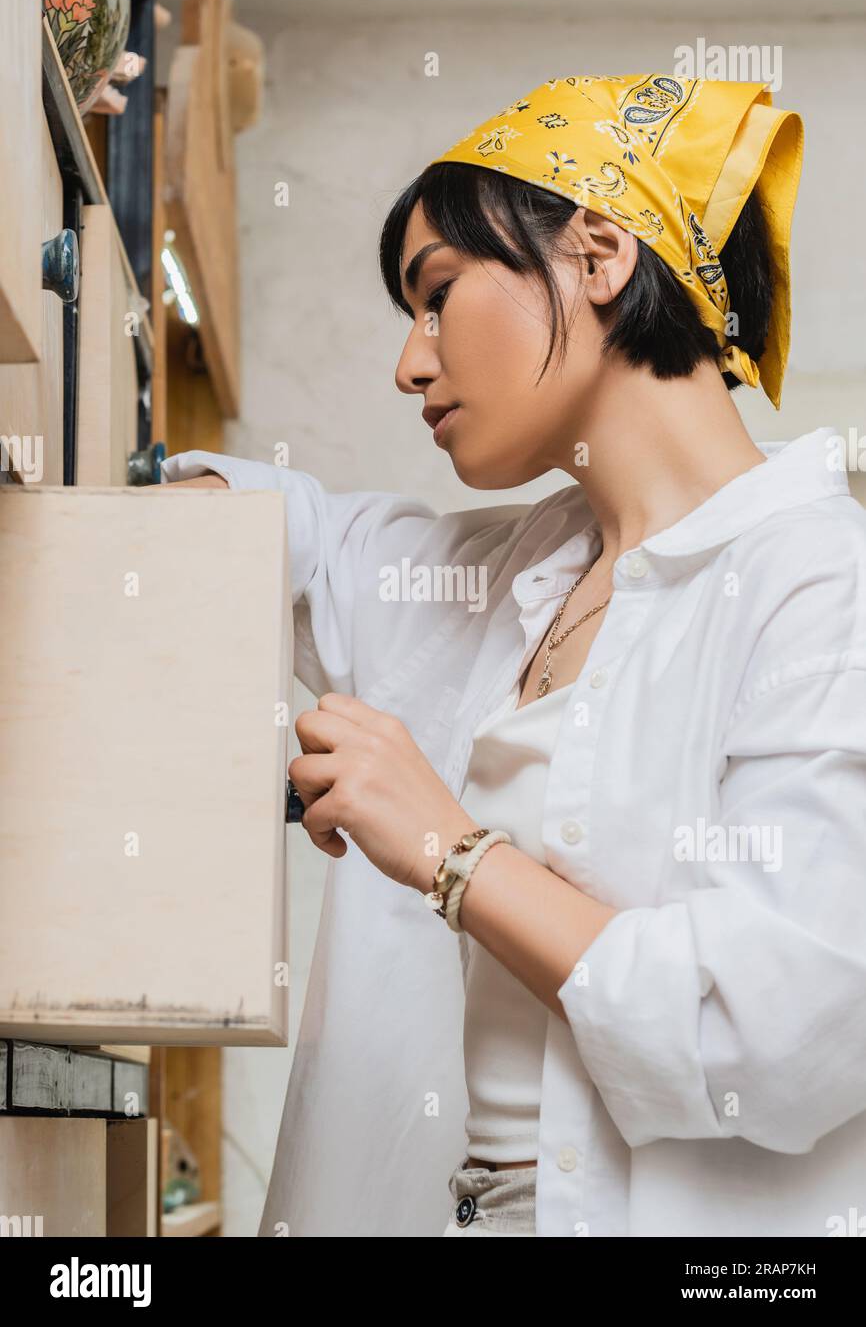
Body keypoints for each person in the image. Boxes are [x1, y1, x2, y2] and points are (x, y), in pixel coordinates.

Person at [157, 74, 866, 1238]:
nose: (409, 364)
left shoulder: (818, 582)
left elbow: (772, 1037)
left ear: (596, 256)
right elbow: (279, 532)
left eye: (436, 295)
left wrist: (446, 848)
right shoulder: (502, 576)